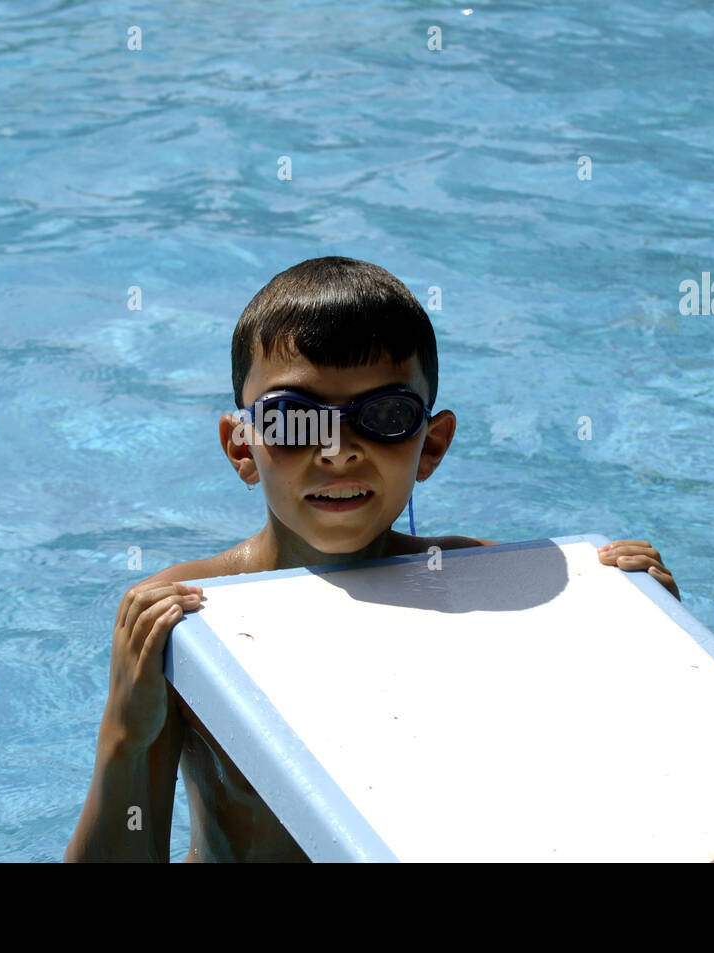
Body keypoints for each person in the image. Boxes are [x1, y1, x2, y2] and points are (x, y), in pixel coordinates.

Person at [64, 256, 680, 862]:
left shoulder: (497, 588)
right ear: (243, 447)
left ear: (431, 444)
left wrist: (643, 639)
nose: (338, 452)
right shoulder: (184, 621)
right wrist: (124, 731)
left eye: (385, 416)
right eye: (296, 419)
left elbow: (615, 785)